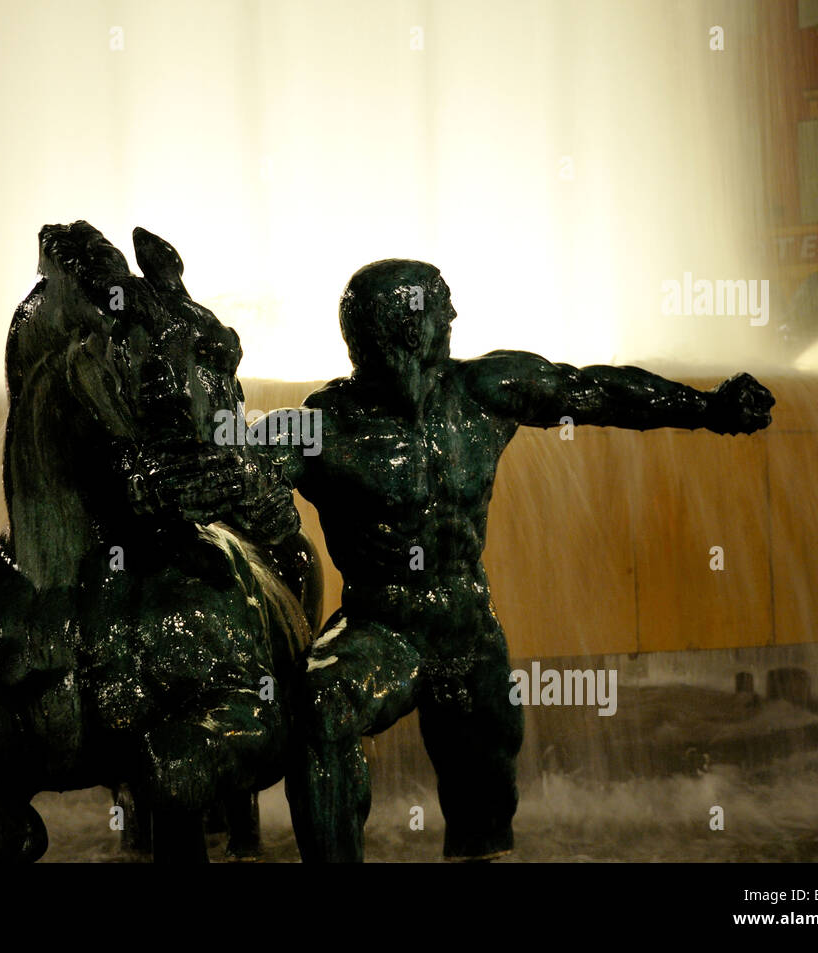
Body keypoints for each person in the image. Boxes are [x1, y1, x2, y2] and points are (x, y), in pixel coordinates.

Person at [284, 258, 775, 862]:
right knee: (323, 705)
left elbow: (594, 391)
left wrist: (706, 408)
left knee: (486, 795)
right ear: (411, 328)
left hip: (468, 629)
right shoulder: (324, 426)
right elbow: (245, 471)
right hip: (382, 628)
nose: (455, 314)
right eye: (442, 303)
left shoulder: (485, 392)